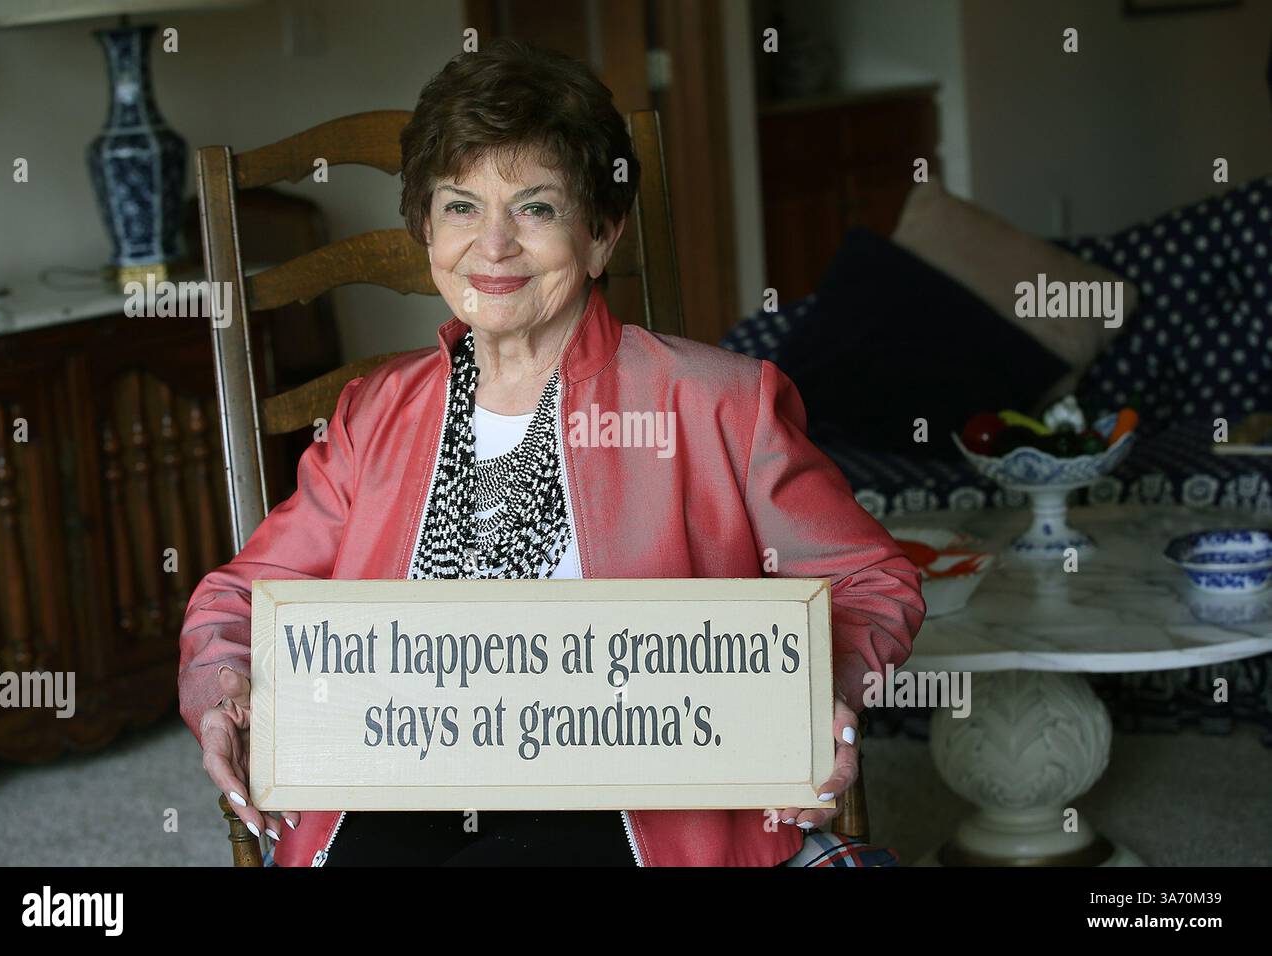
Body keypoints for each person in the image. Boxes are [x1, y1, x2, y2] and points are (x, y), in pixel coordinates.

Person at [179, 38, 924, 867]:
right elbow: (239, 601)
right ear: (426, 228)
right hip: (394, 779)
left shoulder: (720, 402)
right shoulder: (373, 413)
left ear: (602, 235)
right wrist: (226, 691)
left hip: (639, 794)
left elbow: (868, 580)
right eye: (460, 206)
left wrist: (821, 688)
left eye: (535, 208)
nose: (492, 246)